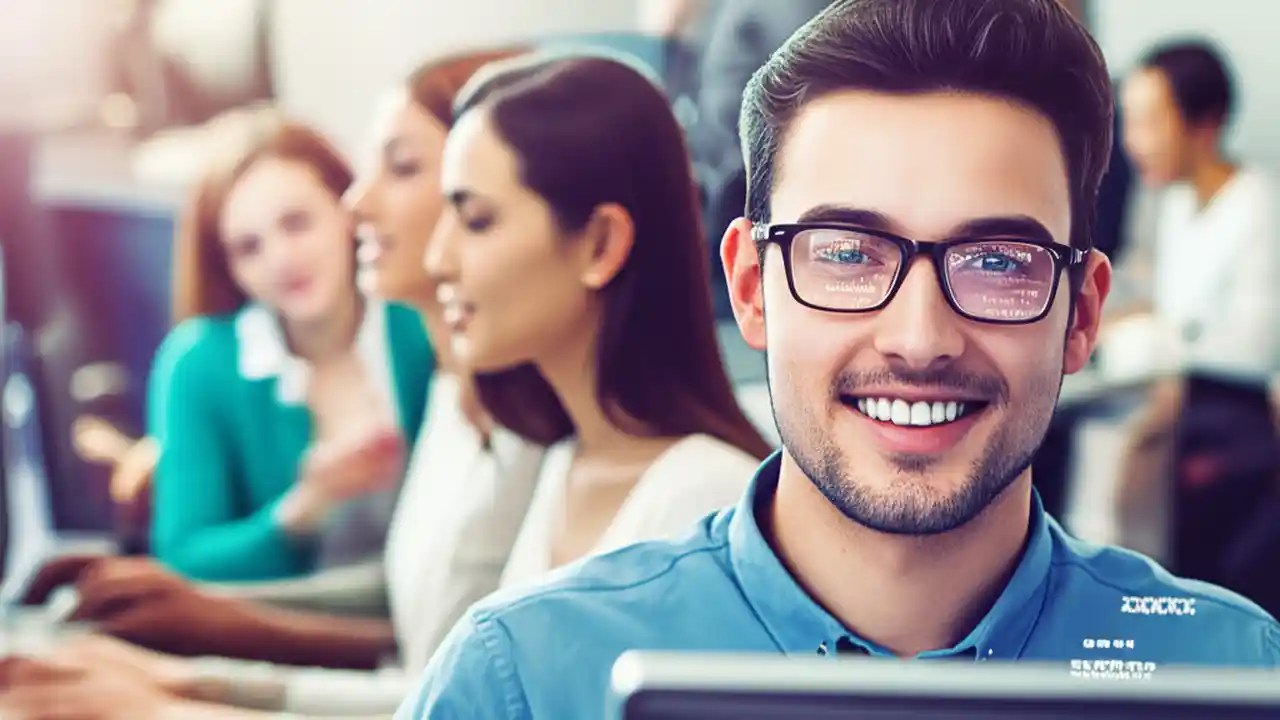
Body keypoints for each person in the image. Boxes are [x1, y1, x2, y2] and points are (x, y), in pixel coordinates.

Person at [397, 2, 1280, 718]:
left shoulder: (1233, 672)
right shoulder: (524, 680)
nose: (920, 338)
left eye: (998, 262)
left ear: (1082, 312)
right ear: (750, 287)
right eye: (849, 253)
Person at [427, 51, 772, 592]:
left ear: (600, 243)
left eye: (476, 220)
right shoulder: (566, 460)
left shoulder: (703, 500)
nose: (437, 260)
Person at [148, 120, 434, 582]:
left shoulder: (421, 323)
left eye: (296, 223)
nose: (280, 260)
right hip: (295, 623)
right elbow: (183, 558)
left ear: (348, 209)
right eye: (248, 247)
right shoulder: (197, 362)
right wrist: (304, 509)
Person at [1109, 40, 1280, 562]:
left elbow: (1256, 348)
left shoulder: (1258, 207)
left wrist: (1165, 338)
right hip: (1181, 401)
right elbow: (1165, 304)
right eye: (1129, 123)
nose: (1134, 143)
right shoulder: (1174, 203)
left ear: (1205, 122)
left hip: (1236, 420)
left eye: (1150, 123)